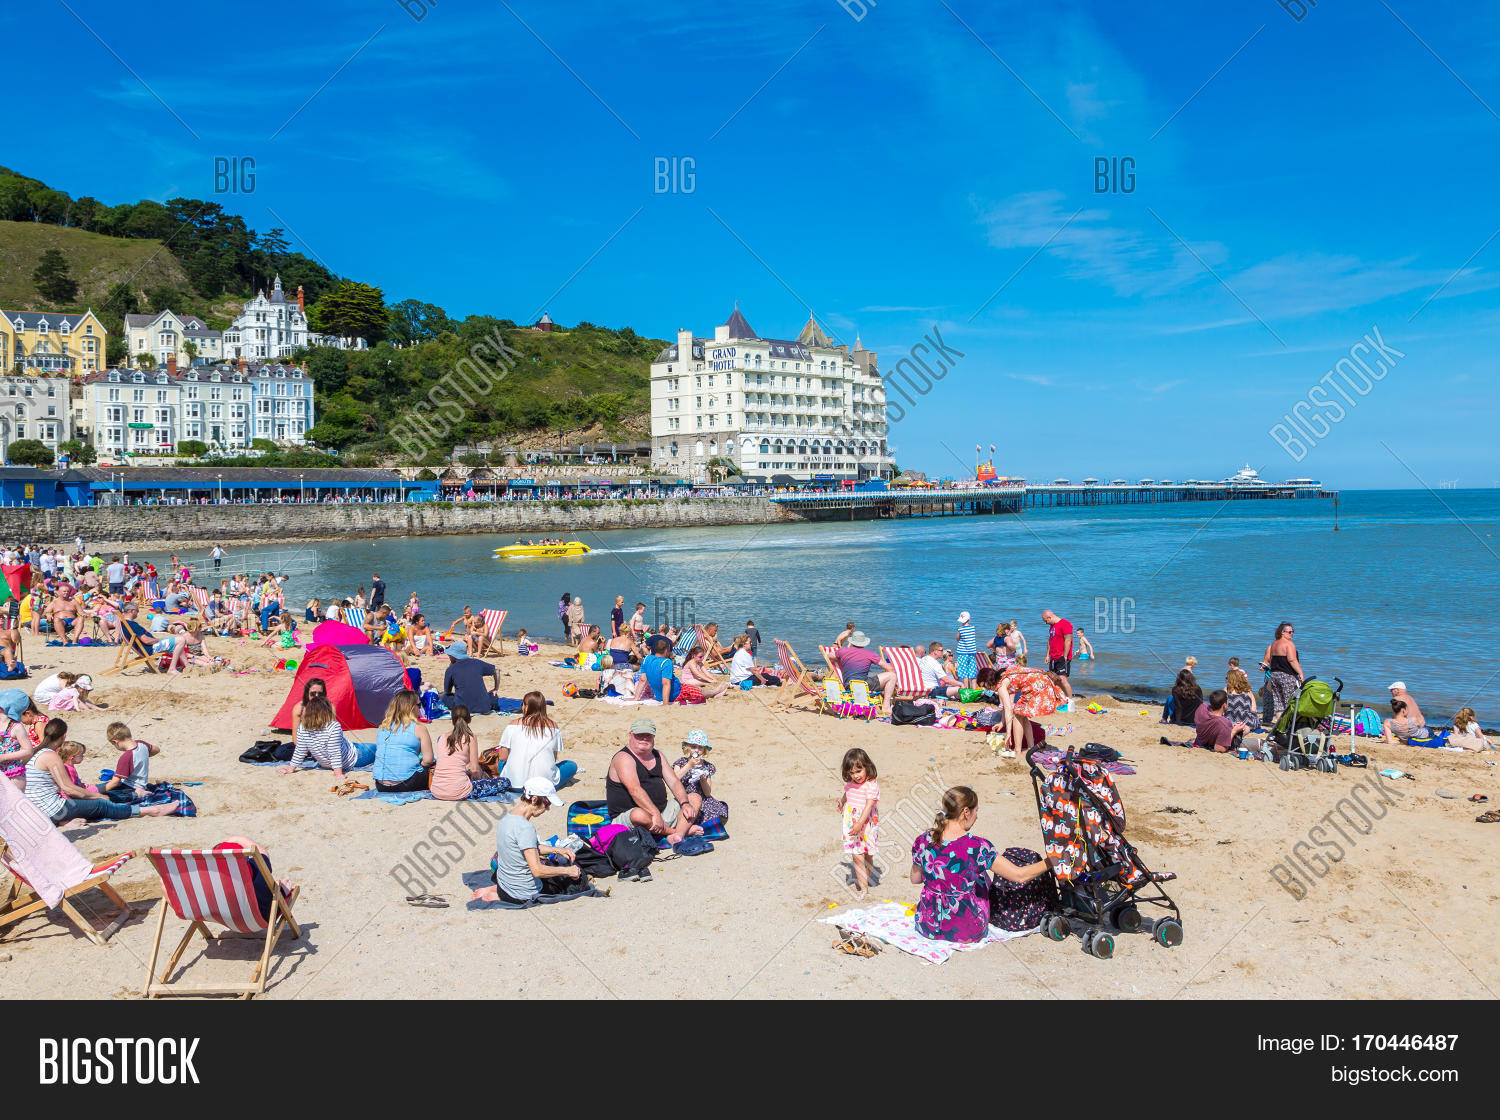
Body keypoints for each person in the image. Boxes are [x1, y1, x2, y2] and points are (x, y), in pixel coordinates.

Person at [910, 786, 1051, 942]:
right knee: (978, 873)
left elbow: (915, 879)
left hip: (928, 926)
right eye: (976, 811)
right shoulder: (977, 847)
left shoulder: (923, 840)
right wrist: (1053, 861)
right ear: (965, 812)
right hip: (965, 931)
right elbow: (1019, 876)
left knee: (966, 870)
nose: (976, 816)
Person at [469, 777, 603, 906]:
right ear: (534, 799)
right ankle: (499, 896)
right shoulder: (525, 828)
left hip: (505, 885)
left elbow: (528, 848)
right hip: (522, 894)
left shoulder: (507, 819)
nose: (548, 808)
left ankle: (497, 890)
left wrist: (558, 849)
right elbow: (537, 871)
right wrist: (568, 871)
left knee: (557, 866)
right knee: (578, 883)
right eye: (547, 803)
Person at [24, 723, 174, 823]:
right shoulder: (51, 756)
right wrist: (98, 796)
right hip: (51, 809)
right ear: (63, 736)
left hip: (37, 808)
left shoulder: (37, 752)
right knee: (102, 805)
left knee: (102, 789)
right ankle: (152, 810)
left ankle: (64, 821)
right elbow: (68, 788)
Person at [605, 718, 701, 843]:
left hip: (661, 812)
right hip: (633, 817)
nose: (644, 739)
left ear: (653, 737)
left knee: (694, 798)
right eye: (639, 735)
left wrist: (684, 803)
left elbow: (674, 782)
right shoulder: (624, 757)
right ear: (630, 735)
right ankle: (678, 832)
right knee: (639, 815)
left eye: (648, 735)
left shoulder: (658, 755)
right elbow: (635, 790)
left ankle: (677, 836)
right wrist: (654, 813)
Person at [280, 696, 376, 781]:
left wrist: (290, 769)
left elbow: (299, 751)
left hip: (331, 760)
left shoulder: (302, 728)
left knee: (352, 745)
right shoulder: (333, 727)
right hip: (354, 758)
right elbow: (334, 753)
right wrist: (338, 774)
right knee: (376, 748)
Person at [496, 691, 577, 788]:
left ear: (526, 707)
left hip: (513, 784)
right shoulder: (553, 727)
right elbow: (553, 758)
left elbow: (502, 757)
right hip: (543, 785)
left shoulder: (512, 725)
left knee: (500, 761)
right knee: (571, 765)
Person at [430, 705, 510, 800]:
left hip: (436, 790)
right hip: (458, 791)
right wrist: (484, 776)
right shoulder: (470, 737)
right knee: (505, 782)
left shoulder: (441, 738)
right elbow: (475, 769)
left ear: (452, 721)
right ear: (469, 720)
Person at [372, 690, 434, 793]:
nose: (420, 707)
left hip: (380, 784)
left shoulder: (383, 727)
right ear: (412, 707)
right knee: (434, 767)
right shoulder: (418, 728)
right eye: (419, 705)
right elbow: (428, 760)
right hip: (406, 783)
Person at [998, 665, 1066, 757]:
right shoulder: (1007, 674)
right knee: (1023, 715)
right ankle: (1031, 748)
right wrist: (1002, 723)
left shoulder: (1001, 684)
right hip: (1042, 680)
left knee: (1017, 714)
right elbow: (1006, 707)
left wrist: (1008, 733)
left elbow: (1008, 708)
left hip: (1037, 684)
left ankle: (1017, 750)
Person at [839, 748, 879, 898]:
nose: (856, 776)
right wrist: (842, 801)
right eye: (852, 773)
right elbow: (848, 792)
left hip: (866, 823)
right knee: (857, 855)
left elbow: (869, 806)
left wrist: (859, 824)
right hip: (852, 822)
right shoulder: (851, 782)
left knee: (867, 854)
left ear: (867, 766)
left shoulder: (871, 785)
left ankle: (865, 879)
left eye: (859, 771)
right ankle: (864, 889)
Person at [672, 729, 726, 825]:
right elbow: (674, 780)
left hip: (702, 800)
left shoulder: (706, 766)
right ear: (688, 748)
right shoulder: (680, 762)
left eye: (700, 747)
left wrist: (703, 780)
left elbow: (707, 793)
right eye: (693, 747)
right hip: (683, 798)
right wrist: (689, 765)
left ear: (704, 750)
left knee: (714, 814)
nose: (696, 750)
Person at [833, 631, 896, 709]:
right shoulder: (870, 654)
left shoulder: (842, 651)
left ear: (852, 642)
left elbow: (829, 656)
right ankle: (886, 705)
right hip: (864, 686)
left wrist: (842, 659)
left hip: (848, 687)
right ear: (864, 642)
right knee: (892, 676)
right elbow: (890, 668)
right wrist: (897, 683)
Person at [100, 721, 161, 801]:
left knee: (105, 797)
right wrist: (144, 755)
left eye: (113, 744)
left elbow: (115, 782)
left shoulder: (126, 756)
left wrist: (98, 792)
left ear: (115, 742)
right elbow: (156, 750)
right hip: (142, 784)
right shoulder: (141, 744)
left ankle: (137, 795)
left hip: (130, 788)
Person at [1259, 622, 1303, 724]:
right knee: (1289, 701)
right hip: (1286, 675)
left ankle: (1279, 725)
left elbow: (1271, 660)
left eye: (1293, 632)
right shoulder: (1289, 644)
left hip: (1274, 675)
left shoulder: (1274, 644)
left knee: (1279, 703)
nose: (1292, 634)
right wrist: (1300, 673)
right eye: (1290, 632)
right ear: (1283, 632)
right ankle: (1288, 725)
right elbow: (1292, 660)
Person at [442, 643, 498, 714]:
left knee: (445, 697)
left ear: (454, 656)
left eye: (450, 655)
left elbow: (447, 692)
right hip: (484, 708)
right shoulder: (477, 662)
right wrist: (496, 688)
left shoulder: (450, 669)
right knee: (494, 695)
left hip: (462, 709)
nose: (449, 656)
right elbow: (496, 669)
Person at [1040, 609, 1075, 699]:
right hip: (1053, 657)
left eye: (1046, 621)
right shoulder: (1052, 627)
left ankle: (1070, 700)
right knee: (1054, 679)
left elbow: (1068, 639)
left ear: (1049, 617)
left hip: (1062, 656)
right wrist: (1047, 655)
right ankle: (1060, 698)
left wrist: (1065, 656)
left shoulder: (1065, 623)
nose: (1046, 623)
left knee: (1062, 679)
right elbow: (1050, 640)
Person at [636, 635, 682, 702]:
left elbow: (642, 680)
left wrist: (636, 698)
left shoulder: (646, 659)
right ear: (666, 650)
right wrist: (665, 703)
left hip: (659, 696)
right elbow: (666, 684)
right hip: (675, 694)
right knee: (698, 690)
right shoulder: (666, 662)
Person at [953, 611, 979, 688]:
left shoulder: (960, 629)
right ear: (969, 619)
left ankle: (967, 689)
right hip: (972, 653)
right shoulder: (972, 628)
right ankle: (974, 689)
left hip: (962, 653)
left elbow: (957, 639)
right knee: (972, 672)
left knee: (965, 674)